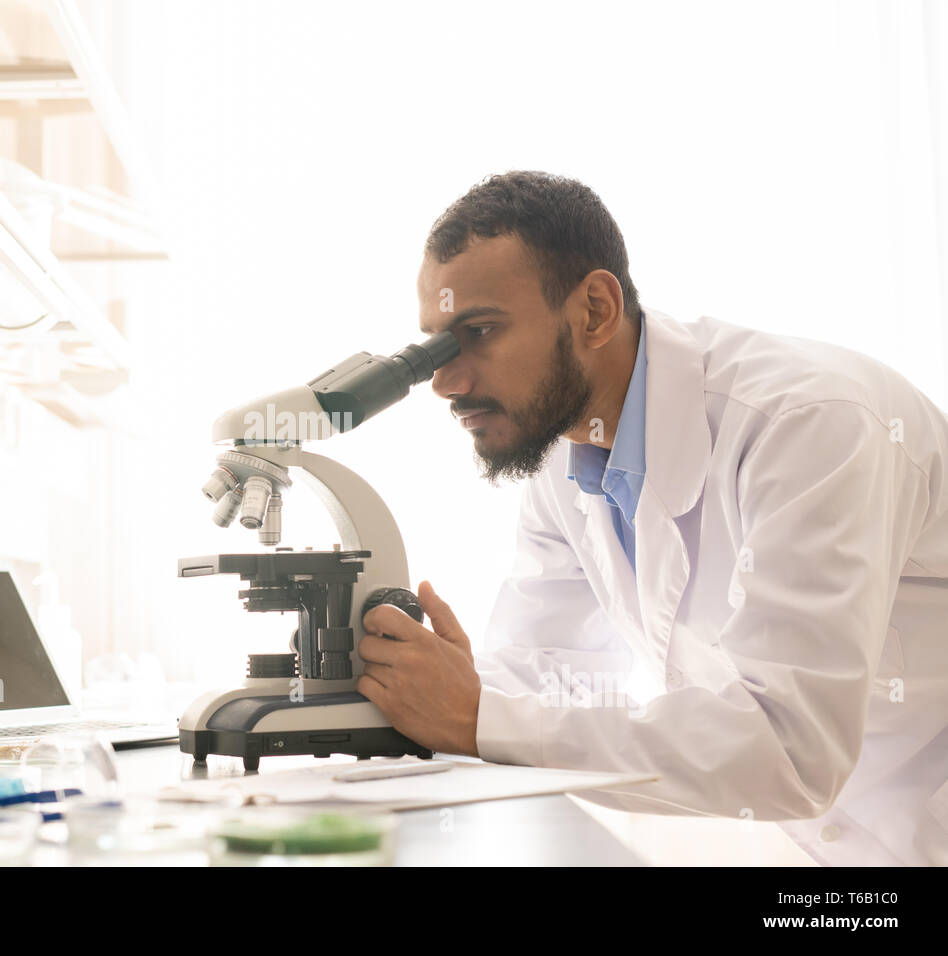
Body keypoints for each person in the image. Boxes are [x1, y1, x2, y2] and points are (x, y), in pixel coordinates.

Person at [356, 170, 948, 866]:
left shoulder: (808, 426)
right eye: (436, 348)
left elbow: (789, 748)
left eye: (479, 332)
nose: (447, 384)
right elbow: (547, 675)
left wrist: (479, 716)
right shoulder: (566, 456)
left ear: (596, 310)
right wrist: (415, 695)